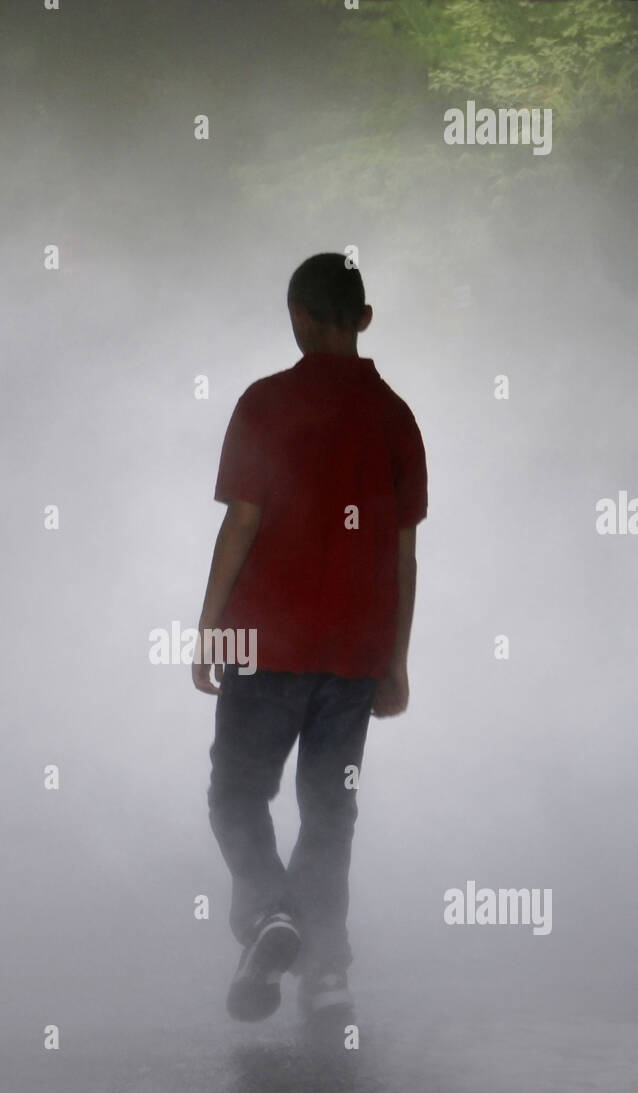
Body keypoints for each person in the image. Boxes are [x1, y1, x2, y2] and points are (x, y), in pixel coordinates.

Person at [192, 253, 428, 1031]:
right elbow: (401, 553)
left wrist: (208, 628)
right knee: (331, 811)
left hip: (267, 643)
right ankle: (326, 973)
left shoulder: (265, 404)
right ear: (363, 318)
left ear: (298, 315)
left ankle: (267, 917)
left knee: (236, 794)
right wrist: (395, 657)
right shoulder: (395, 418)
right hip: (355, 649)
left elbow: (244, 521)